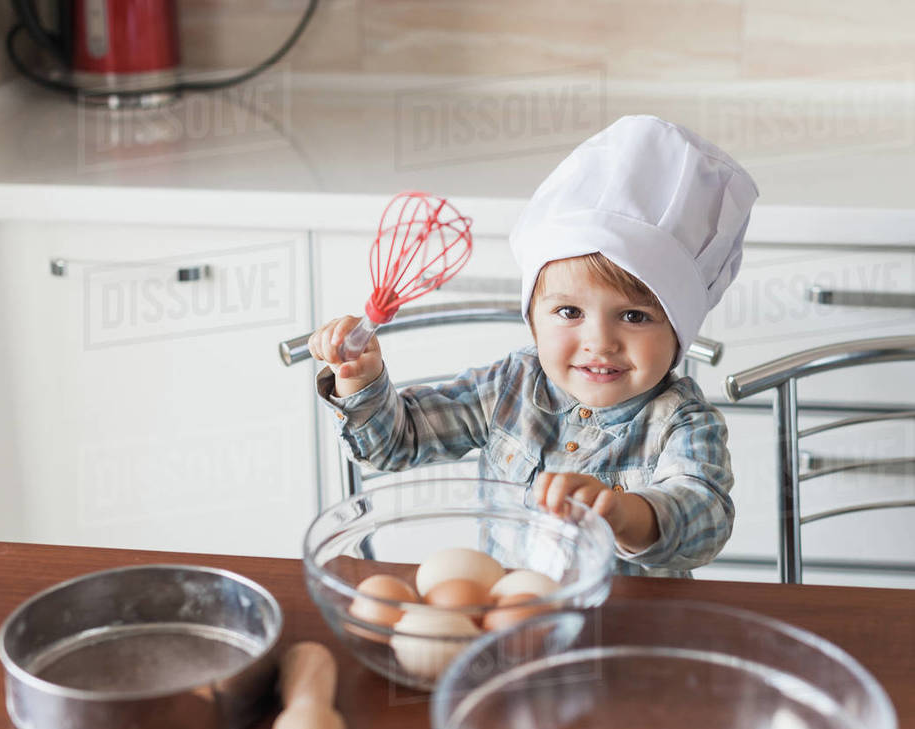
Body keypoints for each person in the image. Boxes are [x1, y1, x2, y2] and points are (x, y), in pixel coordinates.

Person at [308, 115, 758, 577]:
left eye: (634, 317)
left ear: (679, 331)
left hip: (634, 619)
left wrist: (626, 514)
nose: (600, 343)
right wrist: (361, 382)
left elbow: (705, 516)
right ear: (533, 320)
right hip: (512, 613)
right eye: (570, 312)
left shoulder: (682, 422)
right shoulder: (509, 388)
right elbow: (397, 442)